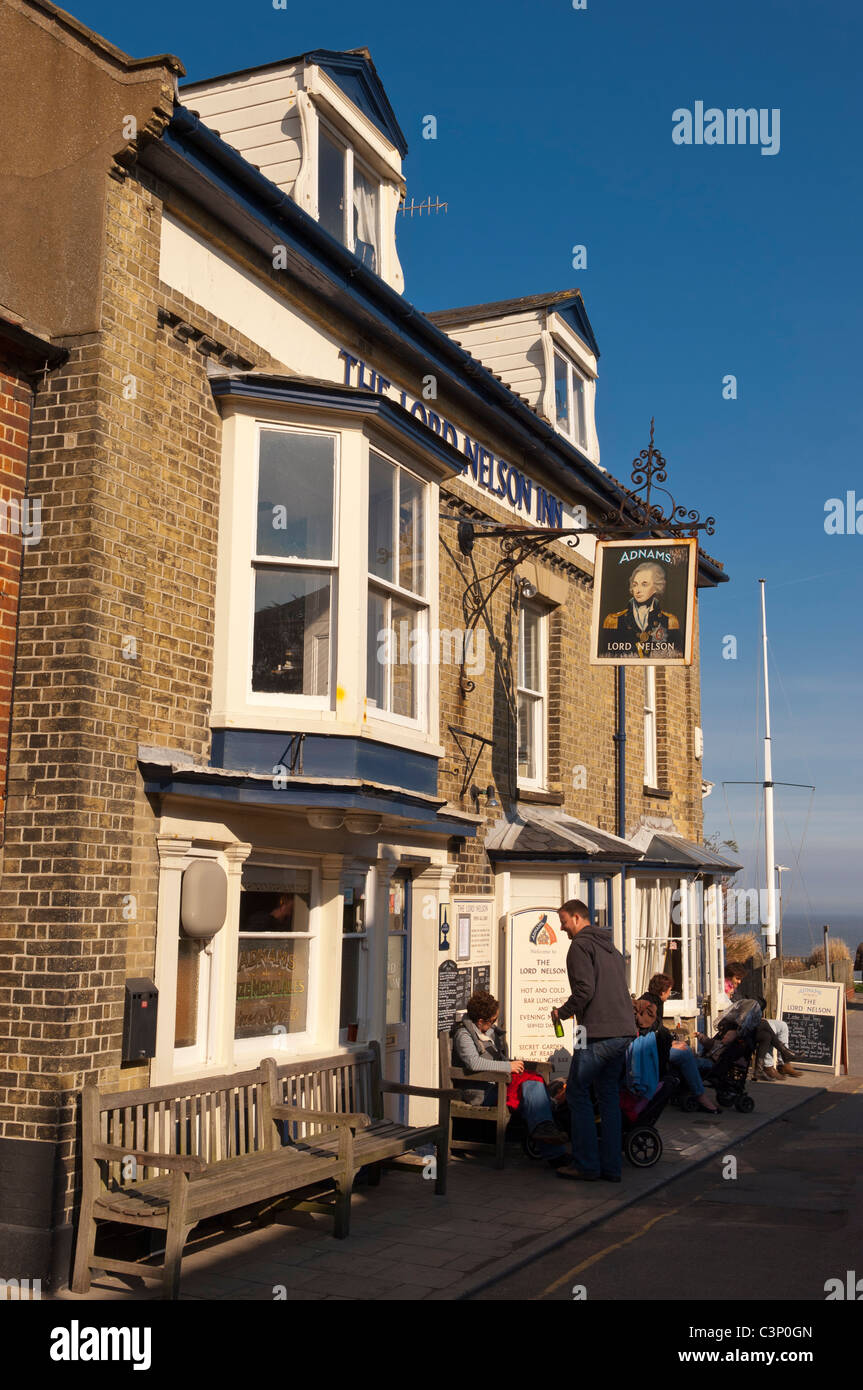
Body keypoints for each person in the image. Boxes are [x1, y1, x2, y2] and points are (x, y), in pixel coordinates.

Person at [551, 899, 636, 1183]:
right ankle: (612, 1168)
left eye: (564, 922)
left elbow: (585, 990)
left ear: (577, 918)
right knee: (608, 1095)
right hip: (624, 1031)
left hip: (598, 1033)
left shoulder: (580, 946)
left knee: (576, 1093)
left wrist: (561, 1013)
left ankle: (586, 1164)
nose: (562, 929)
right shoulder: (610, 947)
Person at [451, 991, 566, 1153]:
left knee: (532, 1085)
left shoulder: (486, 1031)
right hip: (482, 1090)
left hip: (498, 1084)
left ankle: (548, 1140)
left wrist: (510, 1064)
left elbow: (498, 1058)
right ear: (480, 1021)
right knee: (533, 1092)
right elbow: (473, 1063)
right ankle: (555, 1153)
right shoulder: (463, 1035)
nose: (493, 1024)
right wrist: (508, 1067)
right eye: (492, 1021)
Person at [639, 973, 718, 1113]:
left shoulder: (647, 1000)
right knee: (685, 1053)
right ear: (662, 992)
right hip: (649, 1051)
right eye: (669, 991)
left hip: (650, 1048)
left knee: (685, 1051)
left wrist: (671, 1042)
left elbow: (656, 1032)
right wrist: (671, 1044)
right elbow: (653, 1033)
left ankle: (689, 1085)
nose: (669, 995)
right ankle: (700, 1095)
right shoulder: (652, 1005)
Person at [723, 963, 801, 1080]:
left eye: (740, 979)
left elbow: (744, 1007)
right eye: (737, 979)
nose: (739, 982)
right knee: (766, 1031)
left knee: (782, 1025)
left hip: (748, 1021)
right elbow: (734, 1012)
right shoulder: (724, 991)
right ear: (729, 977)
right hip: (740, 1026)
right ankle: (773, 1063)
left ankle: (784, 1063)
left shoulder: (734, 990)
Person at [601, 562, 682, 658]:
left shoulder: (669, 622)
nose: (638, 590)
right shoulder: (614, 621)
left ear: (656, 587)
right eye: (635, 585)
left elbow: (675, 655)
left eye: (644, 584)